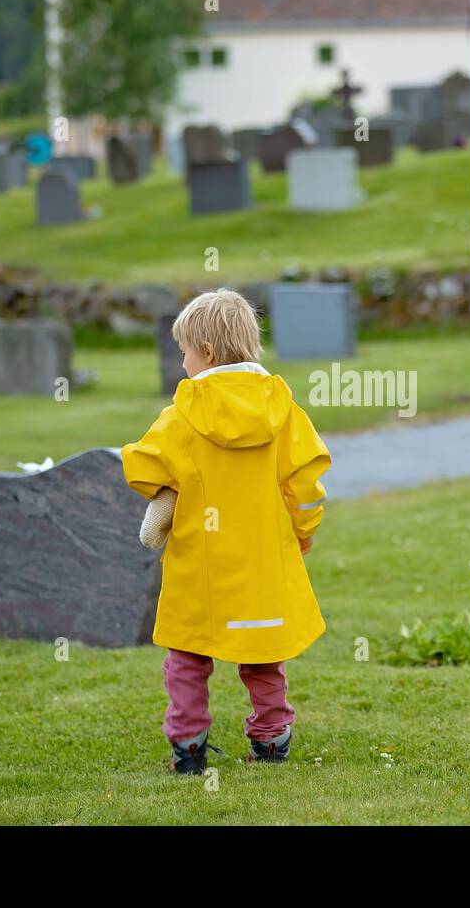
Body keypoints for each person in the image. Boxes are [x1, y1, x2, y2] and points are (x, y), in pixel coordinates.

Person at [121, 288, 331, 774]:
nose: (183, 365)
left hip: (202, 563)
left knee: (188, 658)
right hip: (263, 560)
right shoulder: (281, 410)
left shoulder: (183, 414)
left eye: (185, 354)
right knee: (264, 655)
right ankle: (272, 738)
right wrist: (305, 528)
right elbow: (307, 482)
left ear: (207, 353)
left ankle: (189, 746)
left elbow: (145, 470)